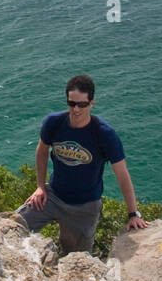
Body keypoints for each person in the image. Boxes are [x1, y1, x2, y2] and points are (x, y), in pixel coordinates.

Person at [12, 74, 149, 254]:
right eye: (72, 103)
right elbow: (42, 150)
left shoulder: (104, 134)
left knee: (76, 258)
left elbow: (122, 175)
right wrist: (40, 186)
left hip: (84, 208)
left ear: (92, 103)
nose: (76, 109)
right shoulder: (54, 123)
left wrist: (133, 214)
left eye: (82, 104)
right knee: (13, 227)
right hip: (53, 196)